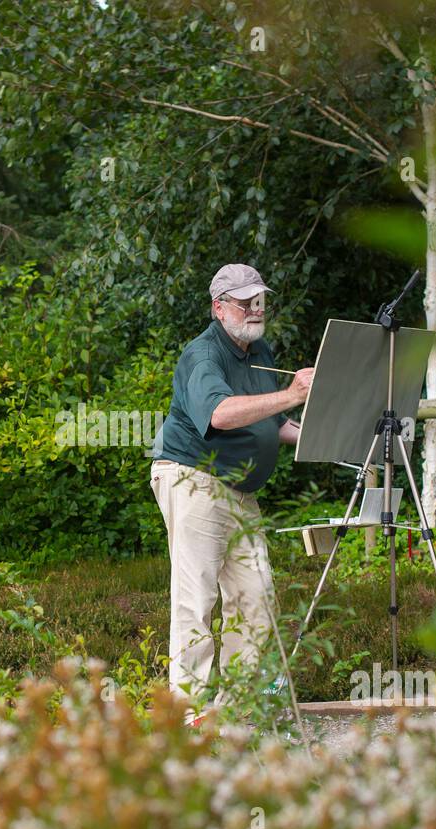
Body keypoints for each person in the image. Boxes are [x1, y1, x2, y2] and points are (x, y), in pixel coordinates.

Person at [149, 263, 315, 723]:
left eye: (259, 299)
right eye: (244, 301)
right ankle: (190, 719)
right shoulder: (202, 356)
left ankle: (239, 713)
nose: (255, 308)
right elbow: (220, 414)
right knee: (195, 600)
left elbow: (277, 424)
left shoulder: (259, 351)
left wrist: (330, 438)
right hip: (193, 479)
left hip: (239, 490)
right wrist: (292, 394)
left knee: (257, 597)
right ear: (219, 308)